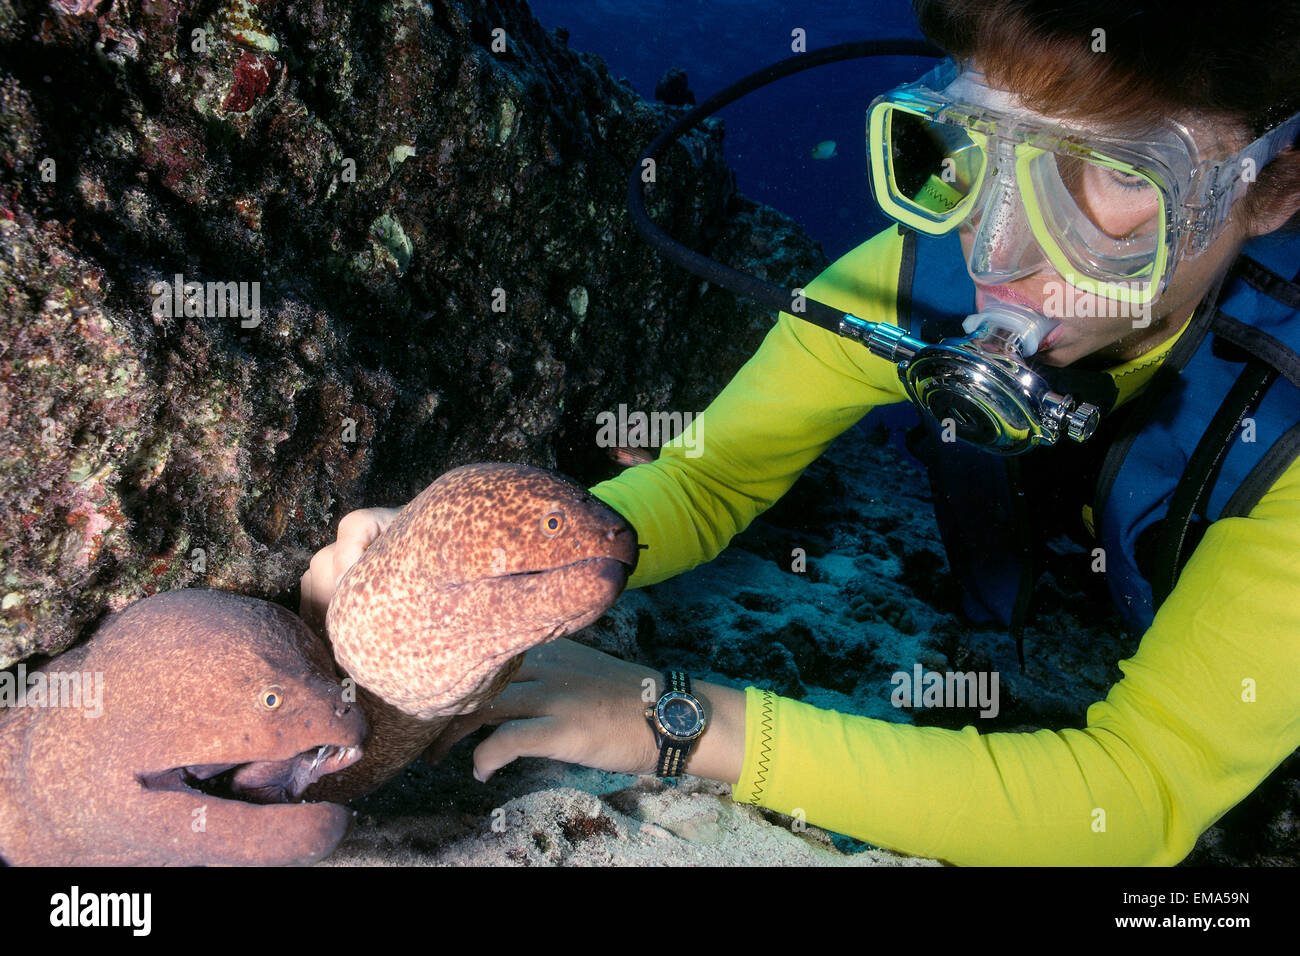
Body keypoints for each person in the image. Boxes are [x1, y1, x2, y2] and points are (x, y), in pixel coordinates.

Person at [300, 0, 1300, 865]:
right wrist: (485, 566)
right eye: (975, 148)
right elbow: (708, 480)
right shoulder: (902, 284)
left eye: (1116, 179)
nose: (1001, 248)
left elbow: (1136, 793)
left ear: (1274, 187)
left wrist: (678, 723)